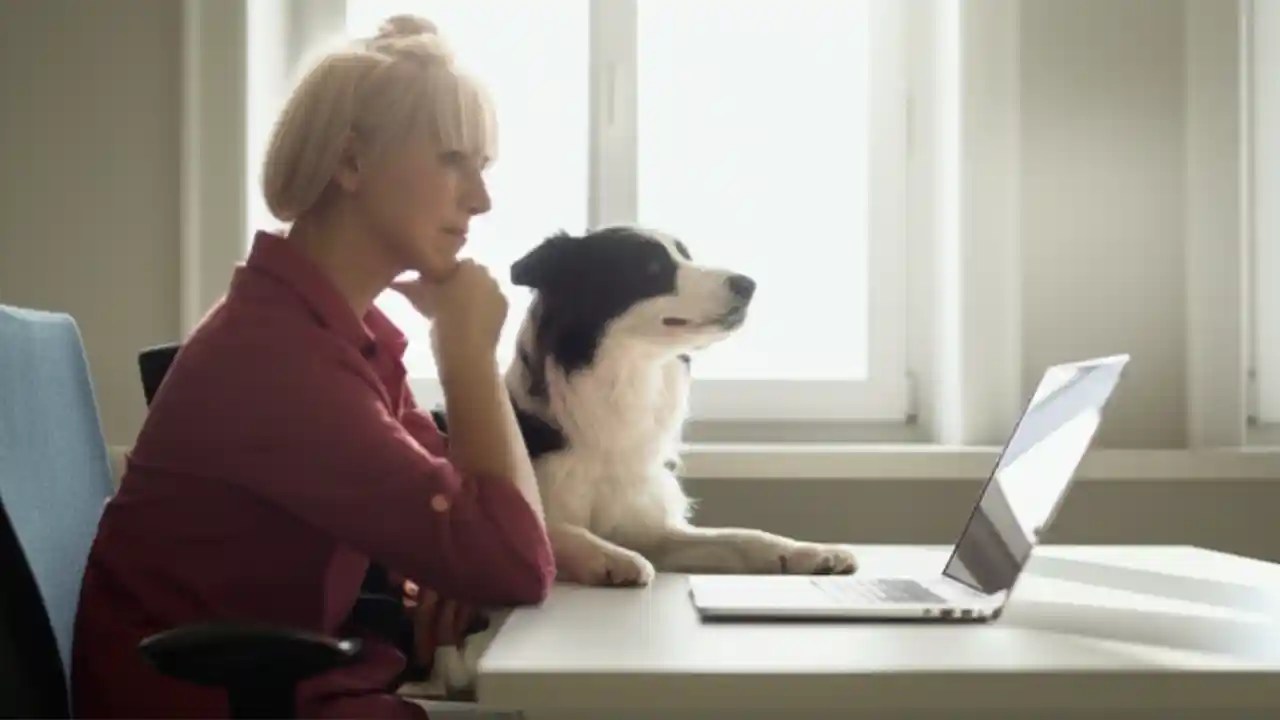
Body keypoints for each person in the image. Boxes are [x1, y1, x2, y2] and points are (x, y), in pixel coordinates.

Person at [71, 15, 553, 719]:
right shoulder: (278, 363)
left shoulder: (333, 337)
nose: (480, 199)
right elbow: (513, 562)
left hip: (304, 690)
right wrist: (465, 349)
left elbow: (494, 530)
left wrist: (516, 544)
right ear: (351, 164)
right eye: (454, 159)